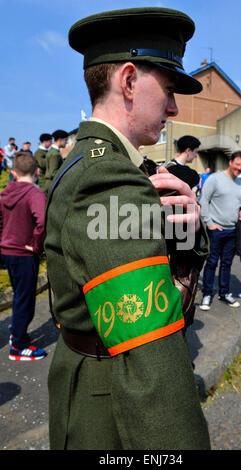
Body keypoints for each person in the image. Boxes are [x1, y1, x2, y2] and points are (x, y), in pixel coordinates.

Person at [44, 7, 210, 450]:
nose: (174, 107)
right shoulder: (109, 178)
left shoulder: (85, 162)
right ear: (130, 81)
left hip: (92, 385)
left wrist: (187, 237)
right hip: (114, 405)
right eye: (170, 89)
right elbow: (152, 354)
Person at [0, 152, 47, 360]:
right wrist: (36, 245)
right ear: (37, 172)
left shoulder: (4, 194)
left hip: (7, 251)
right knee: (24, 299)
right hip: (24, 253)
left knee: (20, 296)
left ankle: (16, 335)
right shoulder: (35, 194)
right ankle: (18, 345)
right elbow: (43, 222)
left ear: (13, 173)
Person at [199, 151, 241, 310]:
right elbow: (203, 201)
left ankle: (224, 293)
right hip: (216, 229)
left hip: (233, 231)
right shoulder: (215, 179)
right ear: (230, 162)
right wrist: (209, 223)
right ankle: (207, 294)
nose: (239, 168)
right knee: (212, 262)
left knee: (227, 263)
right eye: (237, 164)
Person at [44, 130, 68, 194]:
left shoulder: (52, 151)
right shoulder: (55, 154)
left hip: (51, 183)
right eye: (65, 140)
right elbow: (53, 172)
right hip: (53, 184)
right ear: (60, 140)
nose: (66, 142)